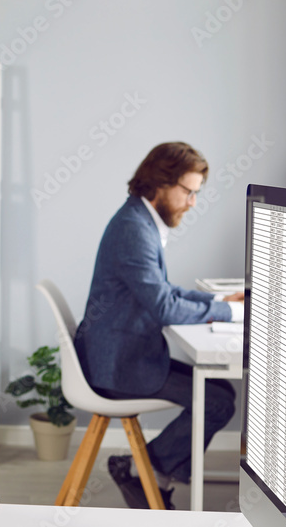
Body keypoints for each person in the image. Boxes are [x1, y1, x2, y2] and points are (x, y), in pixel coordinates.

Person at [72, 142, 243, 508]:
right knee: (216, 402)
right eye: (188, 192)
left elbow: (162, 290)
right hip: (117, 366)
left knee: (222, 392)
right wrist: (230, 313)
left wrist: (219, 301)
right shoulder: (134, 229)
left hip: (123, 353)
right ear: (160, 183)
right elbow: (164, 307)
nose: (192, 203)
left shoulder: (138, 220)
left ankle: (146, 471)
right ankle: (144, 471)